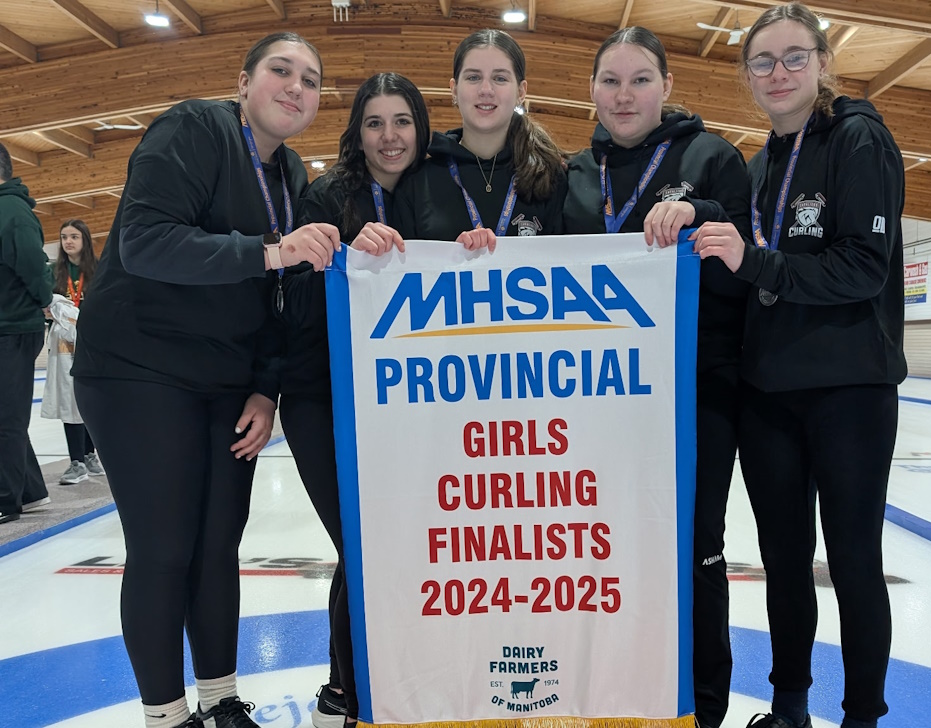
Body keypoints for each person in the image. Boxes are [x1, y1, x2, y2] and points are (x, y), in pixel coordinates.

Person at [72, 32, 340, 728]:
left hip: (226, 379)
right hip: (140, 368)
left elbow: (277, 300)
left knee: (220, 542)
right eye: (281, 71)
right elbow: (146, 240)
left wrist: (264, 386)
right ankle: (167, 713)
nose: (295, 87)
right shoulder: (195, 127)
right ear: (244, 81)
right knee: (165, 546)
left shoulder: (291, 181)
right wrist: (270, 250)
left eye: (310, 80)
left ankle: (221, 701)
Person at [690, 4, 906, 727]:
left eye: (792, 58)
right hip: (770, 396)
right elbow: (743, 276)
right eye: (762, 61)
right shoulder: (759, 166)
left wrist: (753, 261)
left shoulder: (858, 141)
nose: (777, 73)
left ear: (821, 63)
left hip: (849, 392)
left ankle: (862, 718)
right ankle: (789, 709)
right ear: (746, 75)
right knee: (784, 564)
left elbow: (862, 268)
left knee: (851, 565)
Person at [562, 26, 752, 728]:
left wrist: (698, 214)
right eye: (610, 80)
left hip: (694, 393)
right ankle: (613, 691)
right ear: (591, 91)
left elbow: (743, 252)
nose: (624, 94)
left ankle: (702, 707)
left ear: (667, 86)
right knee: (603, 545)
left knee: (696, 545)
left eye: (640, 78)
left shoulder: (712, 156)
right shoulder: (576, 172)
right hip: (599, 399)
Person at [283, 71, 430, 728]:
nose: (389, 136)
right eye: (375, 122)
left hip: (410, 405)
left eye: (402, 121)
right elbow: (297, 308)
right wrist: (347, 257)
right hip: (326, 400)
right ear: (356, 132)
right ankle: (345, 691)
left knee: (407, 545)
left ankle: (410, 675)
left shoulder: (438, 193)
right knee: (361, 546)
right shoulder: (326, 196)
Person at [372, 29, 565, 252]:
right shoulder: (417, 182)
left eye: (500, 78)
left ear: (521, 92)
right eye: (473, 77)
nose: (485, 90)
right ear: (454, 89)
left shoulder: (549, 176)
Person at [0, 141, 53, 524]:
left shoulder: (12, 211)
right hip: (8, 326)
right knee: (7, 414)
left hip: (14, 327)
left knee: (7, 418)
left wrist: (43, 299)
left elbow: (35, 267)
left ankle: (6, 499)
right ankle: (31, 490)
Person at [41, 219, 104, 485]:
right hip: (64, 344)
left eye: (74, 237)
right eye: (64, 236)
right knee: (69, 398)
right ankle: (76, 460)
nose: (68, 242)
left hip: (93, 341)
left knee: (88, 397)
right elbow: (44, 302)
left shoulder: (98, 269)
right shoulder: (53, 272)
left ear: (85, 240)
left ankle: (90, 453)